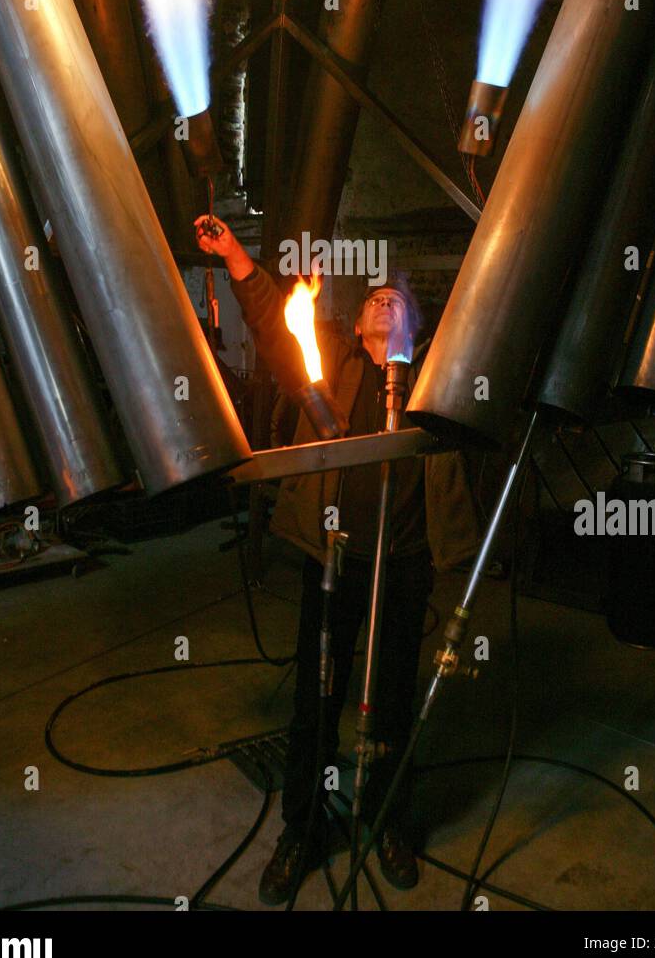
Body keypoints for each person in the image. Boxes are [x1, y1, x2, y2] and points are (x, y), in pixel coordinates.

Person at [195, 214, 478, 906]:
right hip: (334, 562)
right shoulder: (330, 369)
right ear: (355, 327)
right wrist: (235, 257)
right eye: (375, 298)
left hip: (404, 566)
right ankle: (301, 828)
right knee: (316, 701)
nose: (384, 301)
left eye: (397, 300)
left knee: (392, 702)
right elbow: (275, 323)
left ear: (415, 329)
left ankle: (386, 821)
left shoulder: (438, 382)